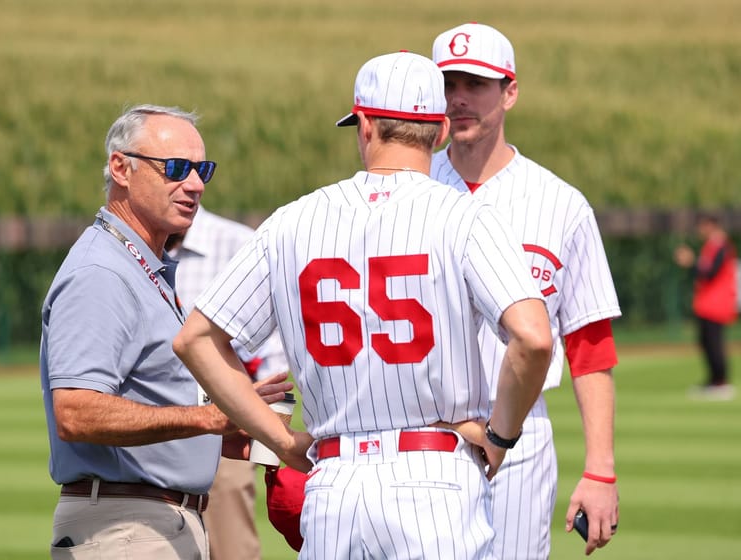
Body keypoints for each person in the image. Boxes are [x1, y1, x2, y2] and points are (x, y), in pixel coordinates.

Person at [174, 50, 554, 559]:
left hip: (335, 483)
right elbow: (533, 337)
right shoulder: (467, 217)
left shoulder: (293, 221)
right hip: (436, 477)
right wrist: (501, 437)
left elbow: (196, 339)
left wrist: (281, 440)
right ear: (441, 130)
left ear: (366, 125)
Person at [39, 104, 293, 560]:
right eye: (176, 168)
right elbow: (76, 412)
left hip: (151, 523)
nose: (195, 184)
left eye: (202, 170)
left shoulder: (139, 263)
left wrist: (226, 434)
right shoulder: (102, 272)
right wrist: (207, 418)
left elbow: (151, 398)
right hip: (125, 527)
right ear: (121, 168)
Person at [429, 22, 622, 558]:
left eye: (475, 84)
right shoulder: (410, 188)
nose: (459, 99)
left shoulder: (559, 203)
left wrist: (600, 470)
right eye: (448, 84)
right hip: (419, 432)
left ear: (509, 92)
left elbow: (588, 344)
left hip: (520, 435)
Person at [166, 205, 290, 560]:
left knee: (231, 549)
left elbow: (274, 358)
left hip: (225, 432)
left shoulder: (238, 243)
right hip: (150, 430)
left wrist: (271, 442)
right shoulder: (134, 247)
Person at [673, 213, 738, 399]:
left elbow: (709, 273)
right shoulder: (711, 246)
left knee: (714, 343)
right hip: (706, 304)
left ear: (710, 226)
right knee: (706, 342)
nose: (699, 231)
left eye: (702, 226)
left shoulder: (721, 246)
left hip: (716, 304)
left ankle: (721, 382)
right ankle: (714, 381)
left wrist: (691, 262)